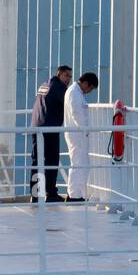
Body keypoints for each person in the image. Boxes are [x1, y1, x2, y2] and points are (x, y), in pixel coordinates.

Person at [30, 66, 71, 202]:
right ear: (59, 75)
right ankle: (51, 193)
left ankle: (35, 195)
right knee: (51, 161)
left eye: (70, 77)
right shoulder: (59, 87)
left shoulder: (45, 84)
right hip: (49, 128)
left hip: (37, 127)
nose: (68, 80)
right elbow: (70, 104)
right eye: (66, 76)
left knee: (37, 160)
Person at [63, 72, 99, 202]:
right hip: (77, 134)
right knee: (78, 163)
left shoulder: (75, 92)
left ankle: (77, 193)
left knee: (80, 163)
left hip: (78, 134)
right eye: (90, 88)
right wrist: (86, 130)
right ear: (85, 83)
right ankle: (74, 195)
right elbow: (77, 114)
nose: (89, 91)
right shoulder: (74, 93)